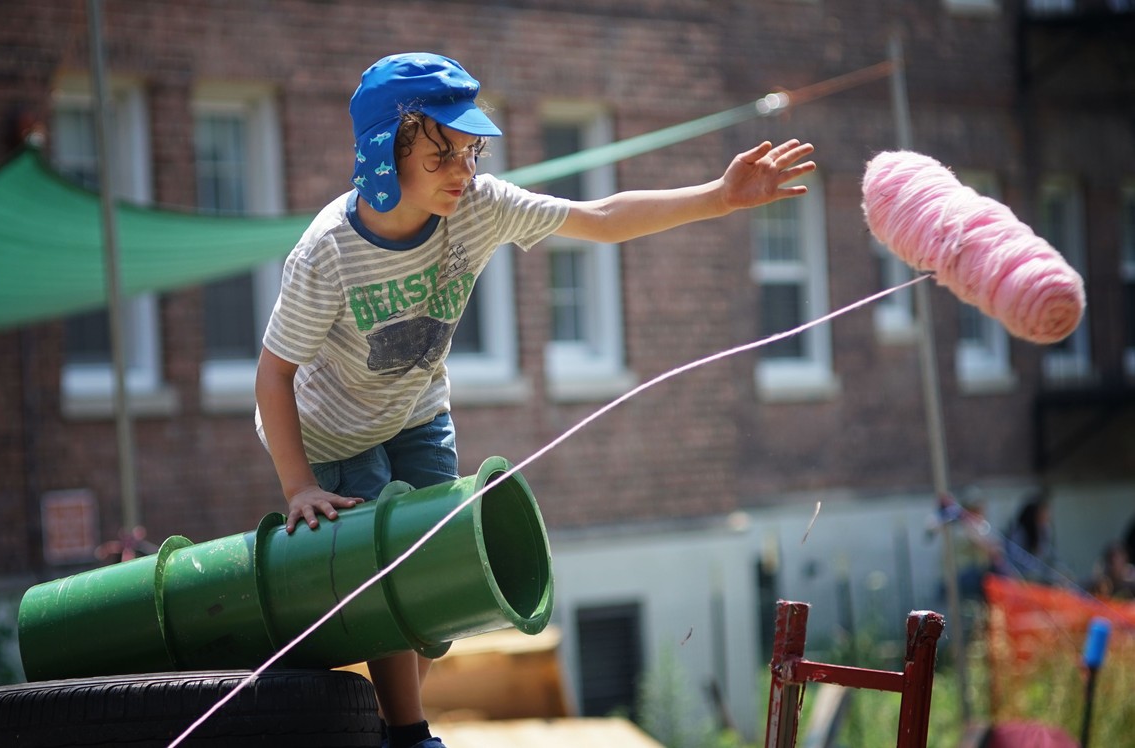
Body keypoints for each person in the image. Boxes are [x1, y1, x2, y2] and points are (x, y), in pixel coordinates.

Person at [254, 52, 815, 748]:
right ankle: (408, 735)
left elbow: (602, 217)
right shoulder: (328, 254)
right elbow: (272, 375)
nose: (463, 172)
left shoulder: (479, 208)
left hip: (416, 413)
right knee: (387, 571)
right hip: (330, 434)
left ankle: (385, 719)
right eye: (441, 158)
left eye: (470, 152)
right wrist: (298, 484)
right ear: (381, 158)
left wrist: (719, 196)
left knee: (436, 588)